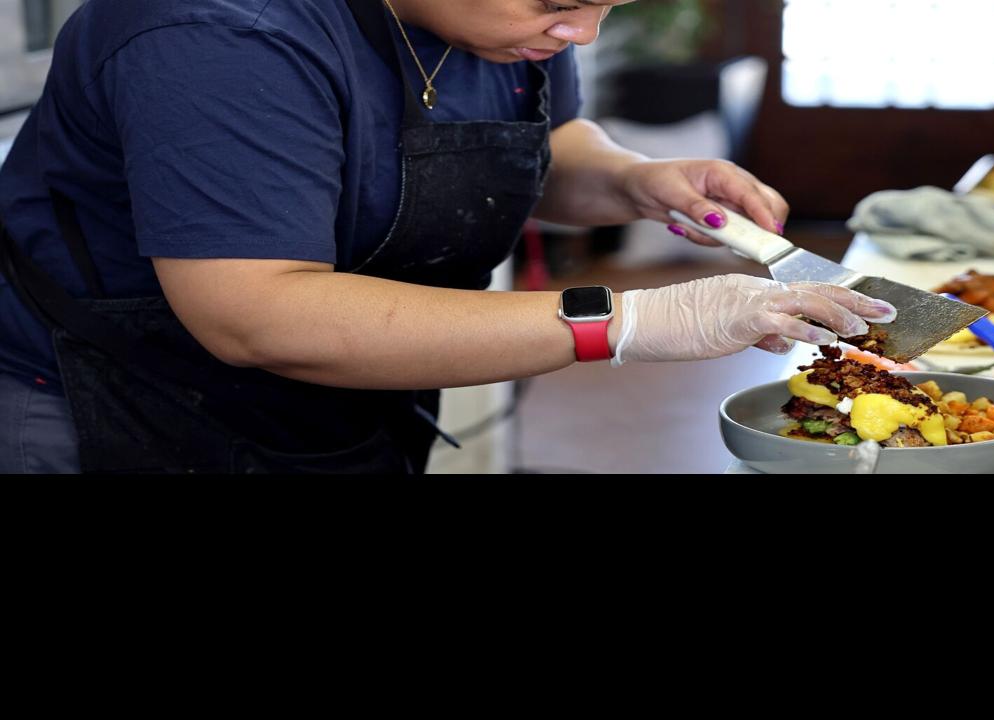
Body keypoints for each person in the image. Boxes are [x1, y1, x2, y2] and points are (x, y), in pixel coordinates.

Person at [0, 0, 892, 473]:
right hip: (114, 403)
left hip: (334, 403)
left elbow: (537, 148)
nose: (581, 31)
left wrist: (632, 179)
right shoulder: (217, 33)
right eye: (560, 4)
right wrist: (624, 321)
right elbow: (256, 315)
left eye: (608, 7)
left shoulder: (508, 25)